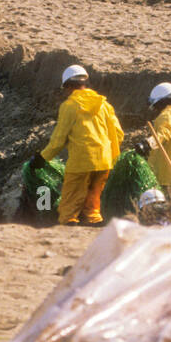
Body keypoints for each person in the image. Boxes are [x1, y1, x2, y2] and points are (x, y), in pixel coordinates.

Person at [32, 64, 123, 226]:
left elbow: (59, 139)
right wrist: (111, 155)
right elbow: (118, 133)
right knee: (93, 205)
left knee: (69, 206)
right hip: (104, 161)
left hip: (81, 161)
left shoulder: (69, 106)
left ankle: (68, 228)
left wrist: (42, 158)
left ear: (68, 86)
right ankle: (93, 224)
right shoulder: (104, 104)